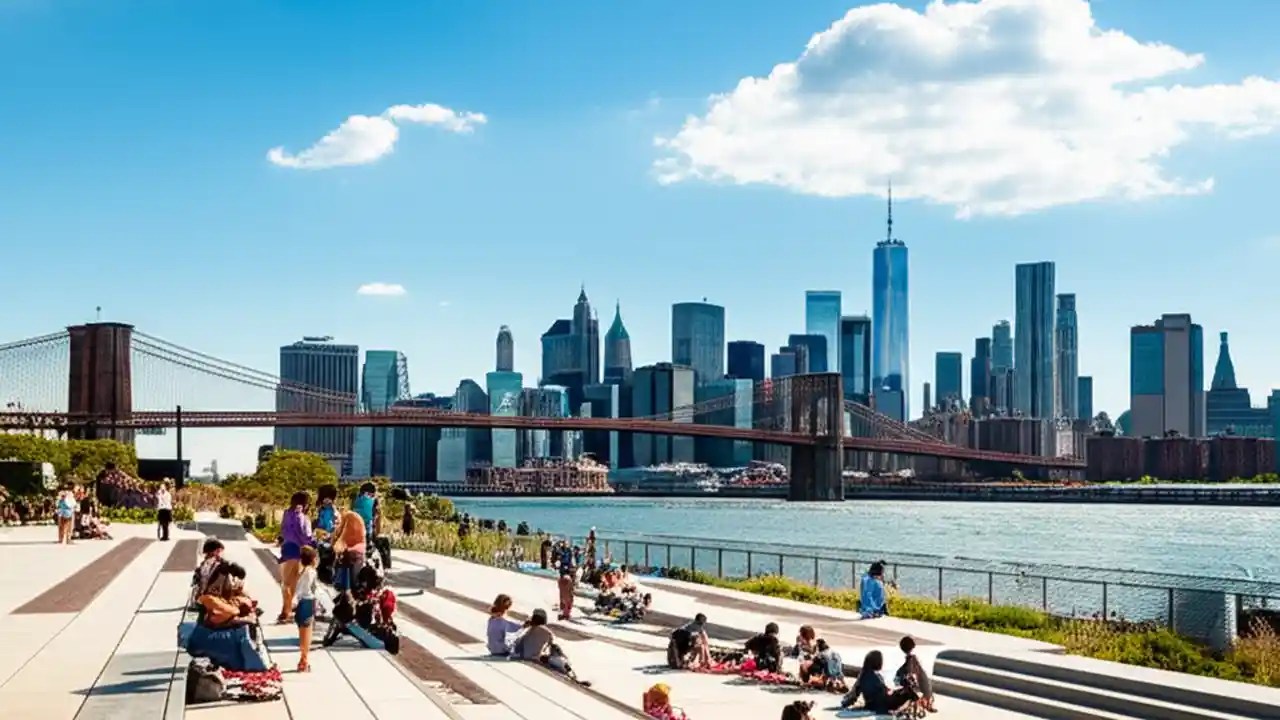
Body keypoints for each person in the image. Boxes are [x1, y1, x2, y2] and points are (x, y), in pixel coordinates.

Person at [187, 563, 268, 672]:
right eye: (233, 580)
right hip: (208, 639)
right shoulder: (209, 598)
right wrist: (243, 617)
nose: (235, 583)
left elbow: (245, 602)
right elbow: (231, 612)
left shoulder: (228, 596)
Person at [841, 650, 916, 714]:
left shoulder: (863, 675)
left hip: (872, 704)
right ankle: (918, 708)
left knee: (903, 690)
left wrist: (845, 703)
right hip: (883, 704)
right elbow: (883, 692)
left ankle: (913, 707)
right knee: (908, 691)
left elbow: (855, 693)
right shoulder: (876, 676)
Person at [278, 491, 314, 624]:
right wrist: (311, 542)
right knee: (292, 584)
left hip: (286, 549)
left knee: (286, 583)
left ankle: (285, 610)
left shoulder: (286, 514)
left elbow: (282, 530)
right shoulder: (302, 517)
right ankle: (287, 611)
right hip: (298, 550)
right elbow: (305, 534)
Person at [332, 506, 367, 593]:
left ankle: (344, 591)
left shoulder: (347, 518)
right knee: (355, 578)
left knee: (345, 575)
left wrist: (334, 545)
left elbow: (342, 536)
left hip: (351, 550)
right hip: (360, 549)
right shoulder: (354, 516)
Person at [294, 545, 319, 672]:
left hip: (300, 602)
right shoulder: (311, 572)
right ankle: (304, 660)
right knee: (307, 633)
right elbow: (310, 589)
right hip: (308, 602)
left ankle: (303, 659)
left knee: (301, 633)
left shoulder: (302, 571)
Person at [896, 636, 936, 713]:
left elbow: (910, 669)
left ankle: (921, 705)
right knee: (924, 690)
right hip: (921, 679)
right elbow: (912, 669)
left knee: (921, 691)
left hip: (920, 679)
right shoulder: (912, 657)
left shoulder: (911, 658)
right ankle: (924, 705)